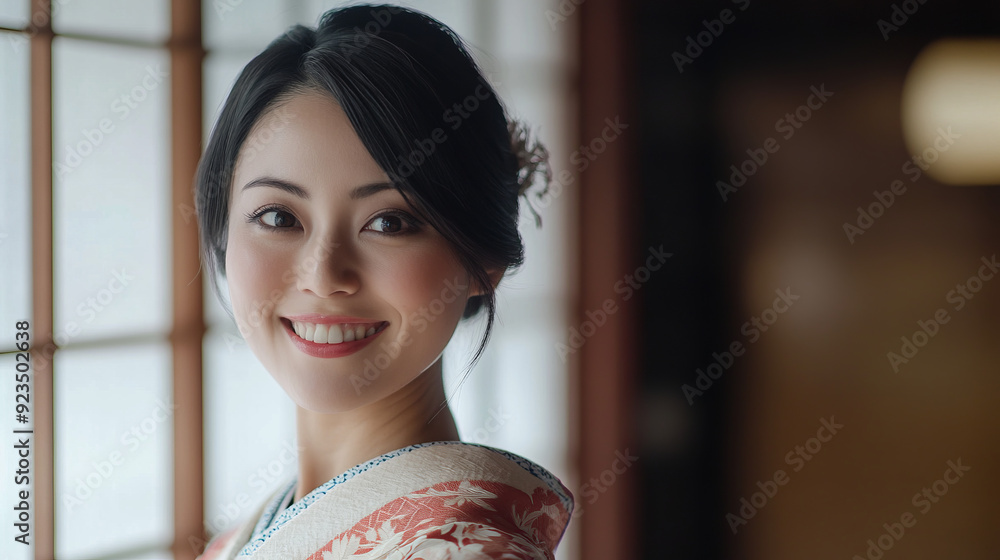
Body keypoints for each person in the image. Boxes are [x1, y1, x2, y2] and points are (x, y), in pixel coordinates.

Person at [193, 3, 573, 559]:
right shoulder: (246, 539)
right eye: (278, 217)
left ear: (480, 259)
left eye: (389, 222)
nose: (324, 276)